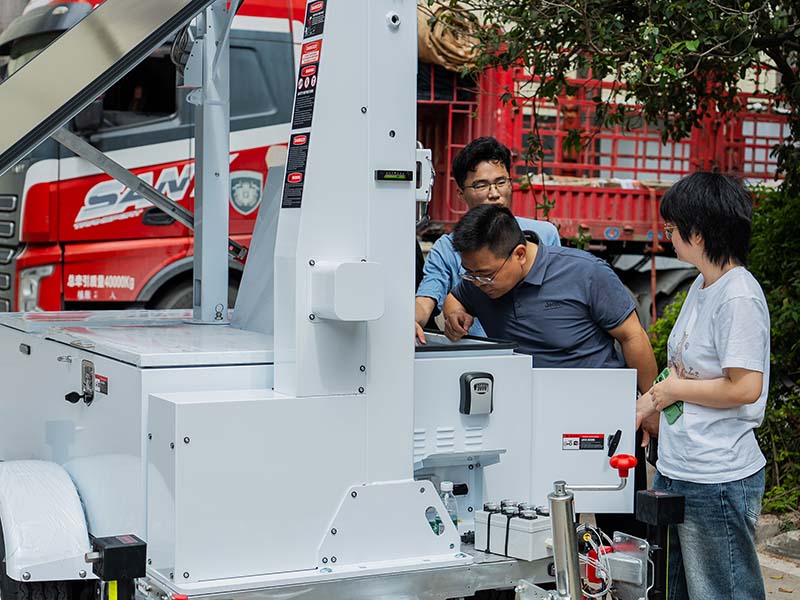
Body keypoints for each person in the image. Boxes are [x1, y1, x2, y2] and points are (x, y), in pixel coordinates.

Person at [444, 203, 658, 538]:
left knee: (620, 526)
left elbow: (633, 337)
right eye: (471, 274)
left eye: (485, 274)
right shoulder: (481, 280)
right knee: (537, 524)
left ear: (519, 254)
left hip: (599, 416)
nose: (478, 283)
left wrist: (649, 406)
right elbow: (458, 296)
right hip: (529, 420)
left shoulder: (585, 273)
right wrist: (453, 309)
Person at [636, 173, 769, 600]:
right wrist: (648, 402)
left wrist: (670, 393)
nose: (667, 236)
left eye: (671, 229)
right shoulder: (702, 284)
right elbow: (682, 368)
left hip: (719, 475)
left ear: (697, 232)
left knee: (723, 592)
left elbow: (744, 388)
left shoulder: (739, 296)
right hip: (682, 467)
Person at [415, 137, 560, 343]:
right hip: (481, 354)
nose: (494, 194)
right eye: (481, 185)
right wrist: (410, 322)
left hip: (539, 351)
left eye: (501, 182)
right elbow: (426, 298)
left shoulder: (544, 234)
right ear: (461, 194)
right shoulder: (447, 248)